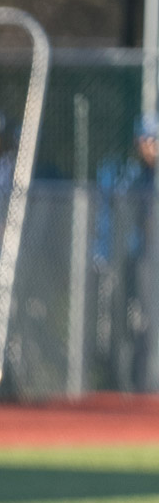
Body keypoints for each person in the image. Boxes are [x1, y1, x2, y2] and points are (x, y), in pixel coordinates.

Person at [94, 113, 159, 390]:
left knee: (147, 320)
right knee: (124, 320)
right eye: (148, 141)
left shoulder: (151, 176)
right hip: (129, 258)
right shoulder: (128, 175)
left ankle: (145, 381)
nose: (152, 148)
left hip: (147, 260)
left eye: (155, 141)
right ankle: (122, 382)